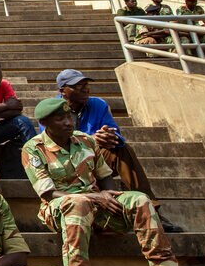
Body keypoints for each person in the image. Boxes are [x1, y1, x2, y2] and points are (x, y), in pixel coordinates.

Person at [21, 98, 205, 266]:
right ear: (46, 123)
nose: (68, 122)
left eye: (69, 116)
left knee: (140, 200)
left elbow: (105, 175)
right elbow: (48, 192)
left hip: (96, 205)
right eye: (60, 118)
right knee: (77, 202)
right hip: (59, 208)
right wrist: (95, 197)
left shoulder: (86, 140)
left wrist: (109, 195)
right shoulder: (33, 148)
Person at [54, 69, 181, 232]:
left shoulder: (97, 104)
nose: (85, 89)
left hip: (96, 161)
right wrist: (90, 139)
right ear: (62, 91)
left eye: (86, 85)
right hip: (68, 167)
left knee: (122, 149)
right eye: (78, 86)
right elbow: (53, 146)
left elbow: (117, 136)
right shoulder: (53, 110)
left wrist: (108, 135)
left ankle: (152, 210)